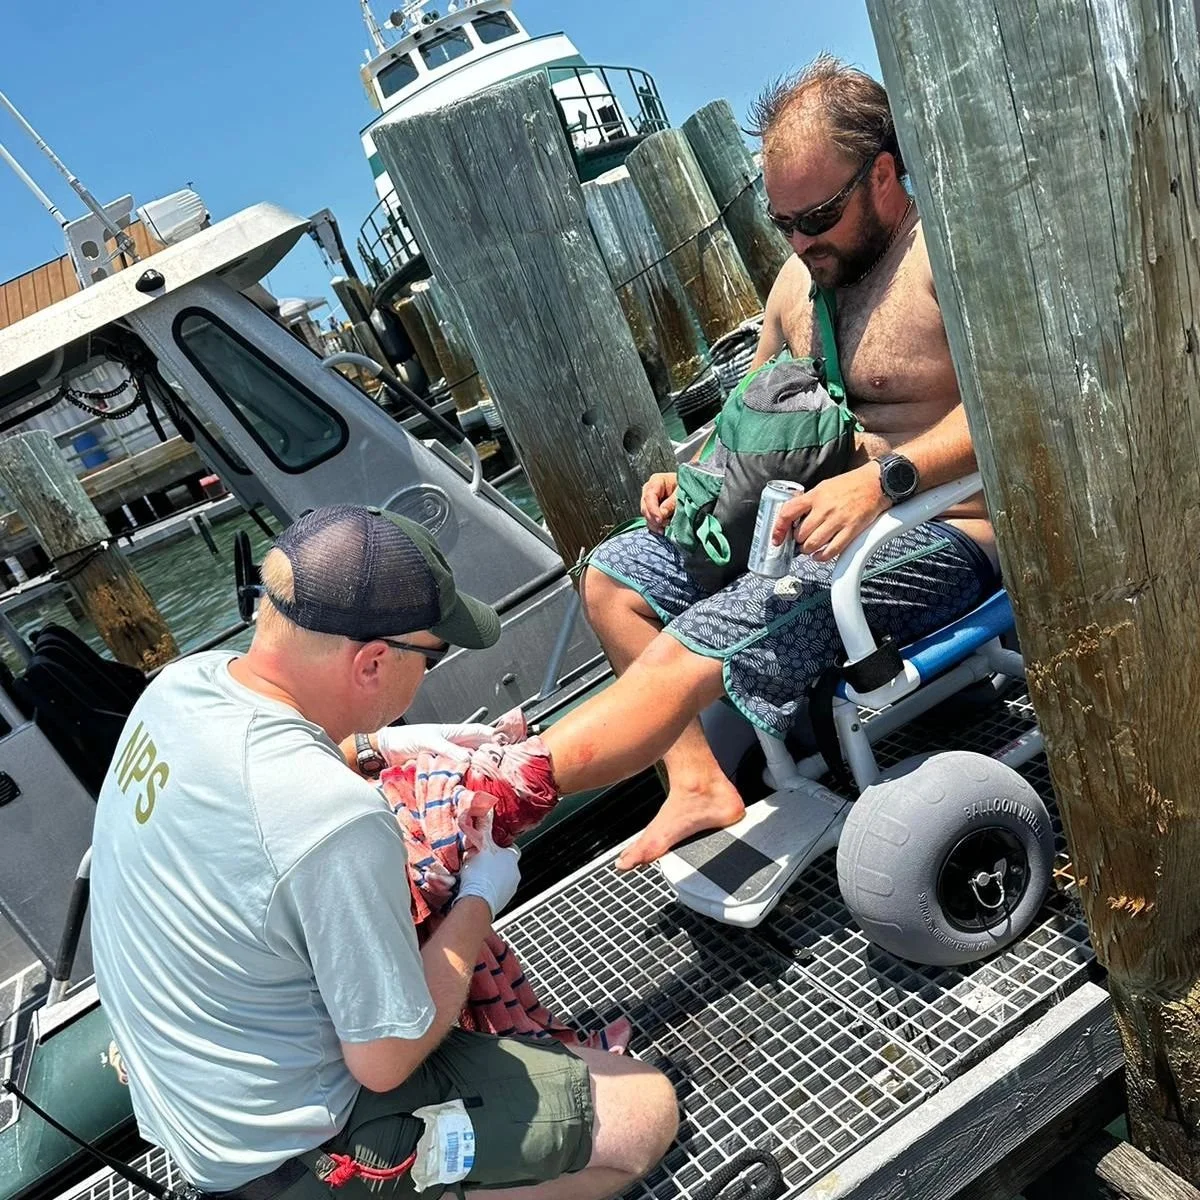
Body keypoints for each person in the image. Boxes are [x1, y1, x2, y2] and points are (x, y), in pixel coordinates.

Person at [90, 504, 680, 1200]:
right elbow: (385, 1061)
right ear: (372, 661)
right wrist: (481, 896)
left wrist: (383, 744)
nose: (427, 675)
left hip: (194, 1114)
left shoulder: (181, 687)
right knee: (644, 1112)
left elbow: (262, 784)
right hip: (296, 1152)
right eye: (430, 658)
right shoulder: (333, 818)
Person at [581, 53, 1001, 870]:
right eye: (785, 224)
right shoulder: (795, 284)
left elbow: (1016, 414)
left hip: (948, 529)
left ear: (882, 175)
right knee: (612, 578)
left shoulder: (944, 262)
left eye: (818, 216)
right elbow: (755, 412)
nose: (801, 240)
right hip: (802, 527)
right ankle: (696, 782)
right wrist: (692, 469)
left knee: (704, 637)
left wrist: (883, 483)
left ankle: (507, 784)